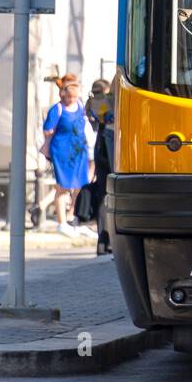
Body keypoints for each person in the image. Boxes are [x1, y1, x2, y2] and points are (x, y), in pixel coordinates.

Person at [40, 74, 94, 238]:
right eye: (69, 96)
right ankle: (62, 222)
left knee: (80, 184)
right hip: (62, 152)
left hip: (79, 150)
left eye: (74, 96)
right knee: (63, 187)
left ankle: (72, 217)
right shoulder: (57, 109)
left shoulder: (79, 105)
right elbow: (47, 129)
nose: (72, 99)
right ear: (63, 94)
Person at [84, 78, 114, 255]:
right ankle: (110, 240)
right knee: (112, 194)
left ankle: (102, 243)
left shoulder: (91, 103)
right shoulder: (110, 100)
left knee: (102, 194)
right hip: (111, 146)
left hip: (99, 146)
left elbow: (95, 124)